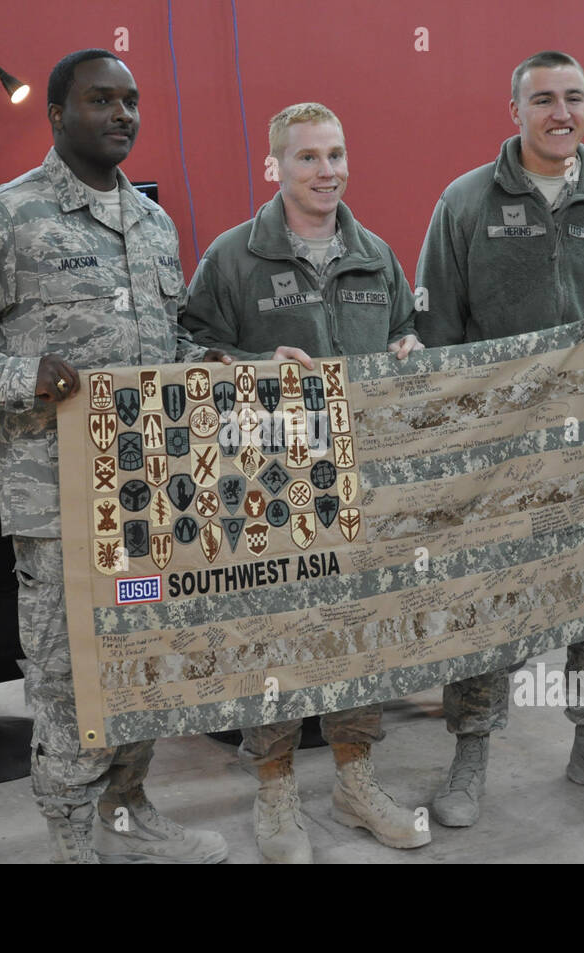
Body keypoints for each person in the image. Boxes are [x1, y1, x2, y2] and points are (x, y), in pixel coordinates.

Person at [0, 49, 230, 864]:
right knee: (72, 676)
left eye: (132, 101)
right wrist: (12, 377)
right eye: (101, 100)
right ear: (57, 115)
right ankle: (71, 835)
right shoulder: (11, 216)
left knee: (144, 662)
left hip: (152, 492)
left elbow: (163, 338)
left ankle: (128, 809)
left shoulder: (152, 223)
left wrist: (199, 360)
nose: (122, 115)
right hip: (59, 502)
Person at [414, 50, 584, 826]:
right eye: (543, 100)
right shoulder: (465, 203)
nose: (560, 113)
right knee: (490, 606)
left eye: (574, 98)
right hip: (503, 453)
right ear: (515, 109)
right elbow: (435, 332)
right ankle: (469, 757)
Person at [181, 102, 427, 863]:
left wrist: (408, 345)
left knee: (361, 634)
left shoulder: (375, 253)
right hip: (271, 488)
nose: (328, 171)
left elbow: (407, 331)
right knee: (276, 637)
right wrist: (250, 370)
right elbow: (186, 346)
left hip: (360, 482)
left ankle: (356, 779)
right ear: (275, 167)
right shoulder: (233, 257)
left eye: (336, 154)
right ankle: (276, 788)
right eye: (309, 157)